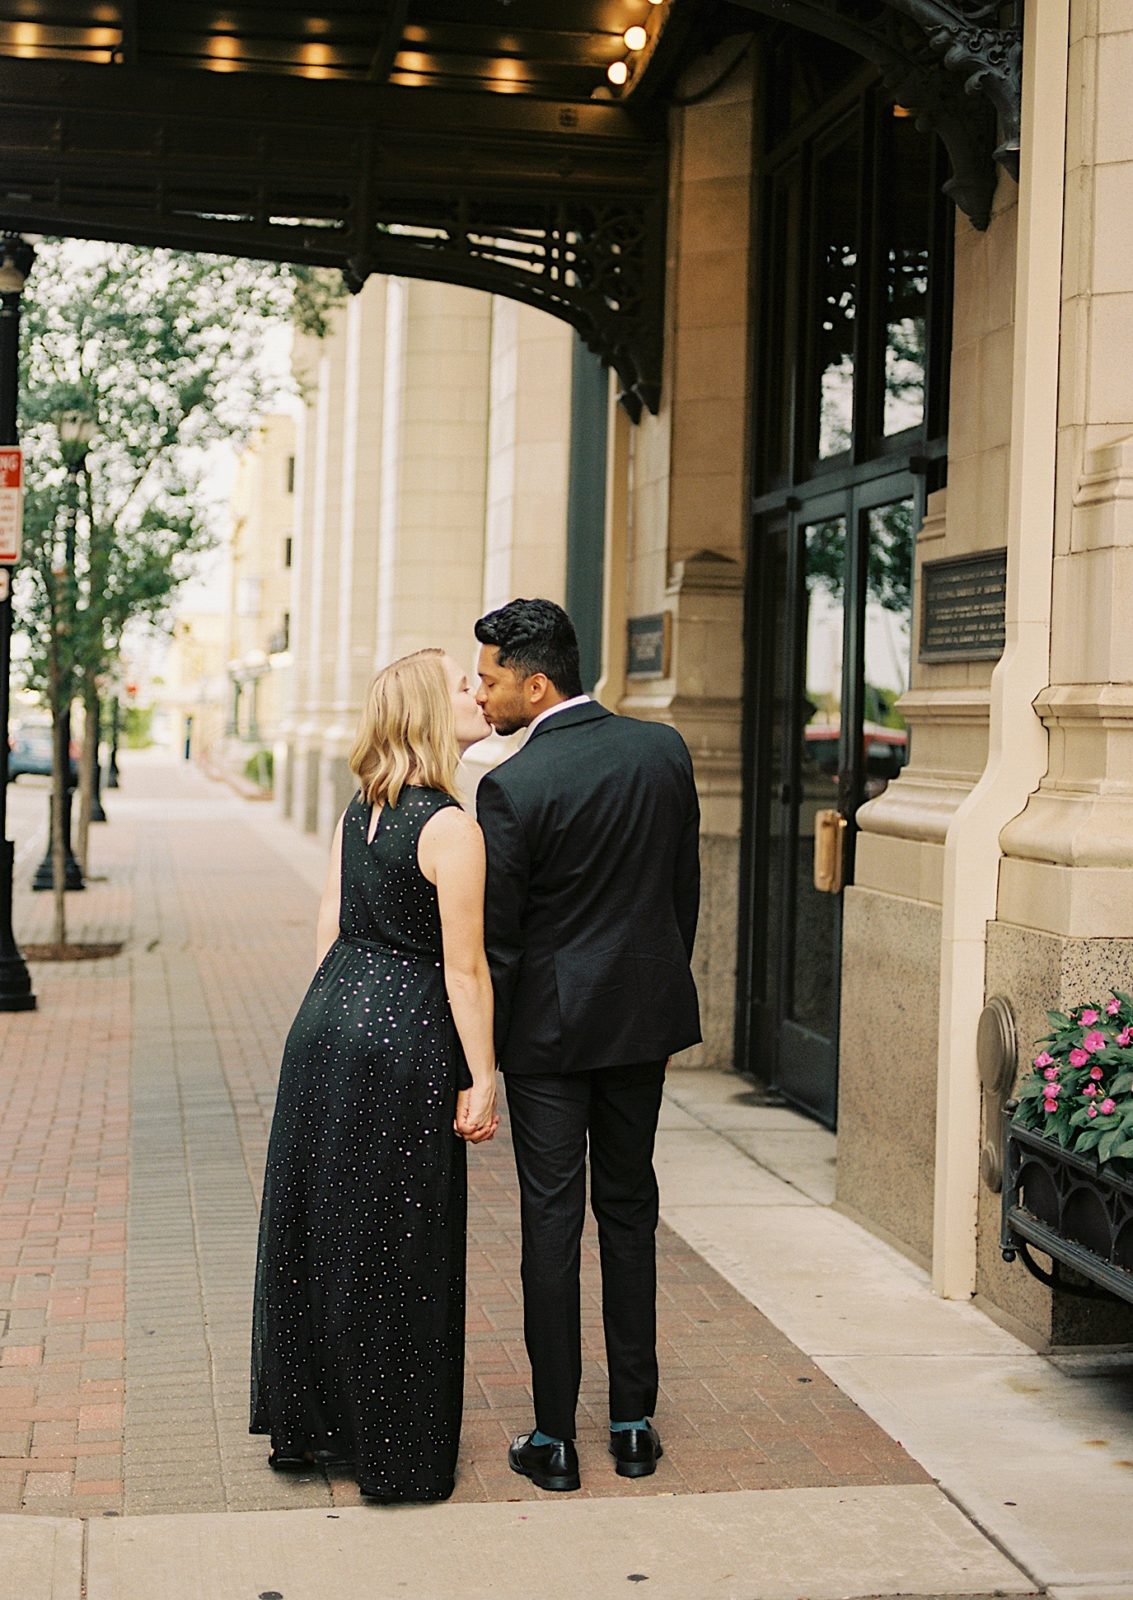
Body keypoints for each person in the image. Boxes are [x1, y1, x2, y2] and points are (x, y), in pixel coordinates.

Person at [250, 648, 497, 1504]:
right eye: (462, 686)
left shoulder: (359, 812)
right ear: (432, 714)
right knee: (399, 1242)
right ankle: (395, 1449)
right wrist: (484, 1074)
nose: (478, 691)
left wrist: (332, 1030)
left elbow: (329, 928)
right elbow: (464, 971)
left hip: (325, 1028)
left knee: (326, 1233)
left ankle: (325, 1424)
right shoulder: (450, 827)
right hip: (403, 1041)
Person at [474, 598, 700, 1493]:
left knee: (551, 1221)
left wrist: (482, 1056)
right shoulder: (663, 752)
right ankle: (633, 1424)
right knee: (631, 1209)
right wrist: (649, 979)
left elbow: (502, 937)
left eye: (491, 679)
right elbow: (681, 887)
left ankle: (554, 1438)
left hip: (547, 1038)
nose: (482, 694)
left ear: (537, 683)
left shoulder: (513, 785)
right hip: (640, 1020)